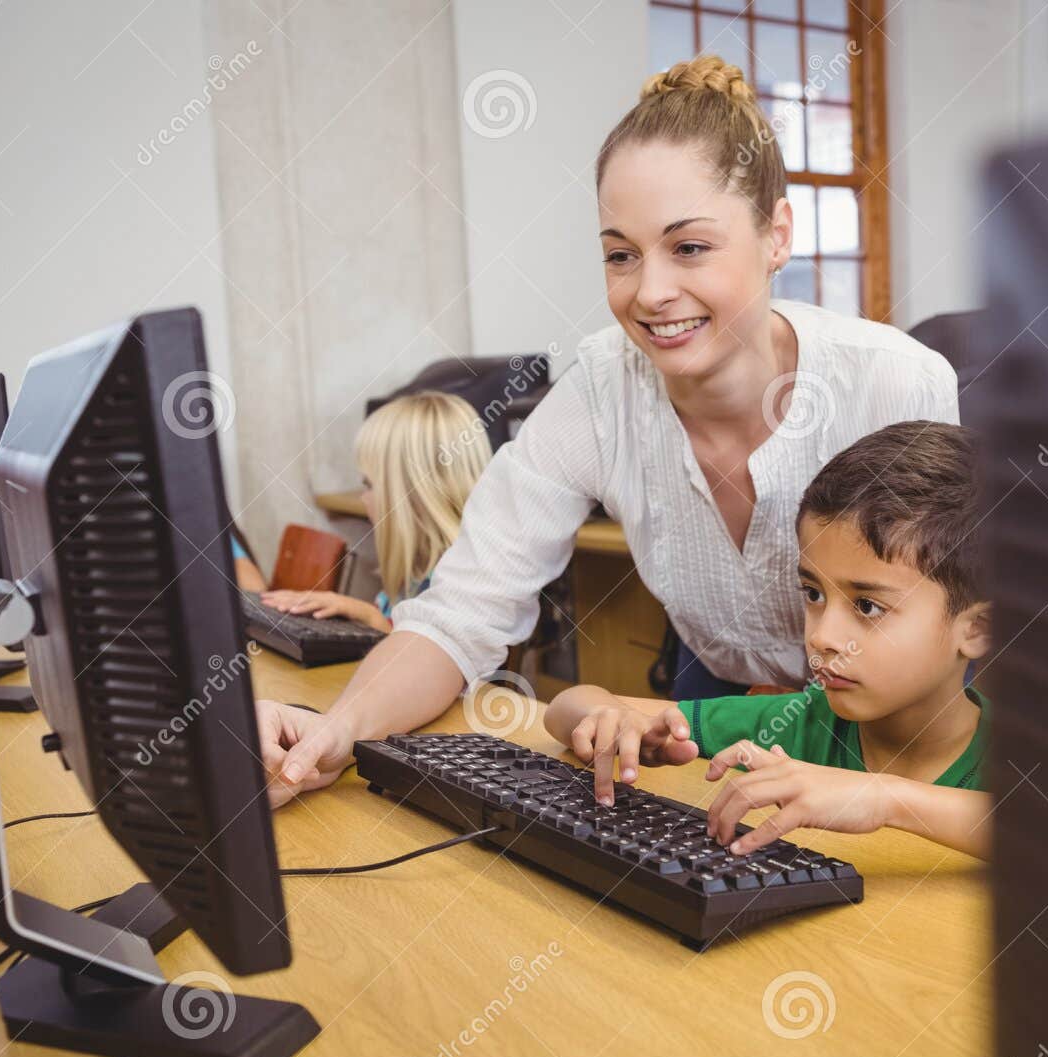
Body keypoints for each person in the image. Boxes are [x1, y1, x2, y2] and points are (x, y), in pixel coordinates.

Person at [258, 56, 957, 808]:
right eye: (621, 254)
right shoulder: (598, 390)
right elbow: (463, 611)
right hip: (713, 693)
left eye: (690, 247)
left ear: (777, 234)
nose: (651, 292)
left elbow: (954, 617)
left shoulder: (893, 381)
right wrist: (337, 728)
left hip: (890, 715)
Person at [542, 422, 993, 859]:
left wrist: (885, 799)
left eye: (867, 606)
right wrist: (613, 723)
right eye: (813, 594)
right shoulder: (796, 722)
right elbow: (568, 708)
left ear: (976, 628)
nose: (822, 636)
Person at [258, 391, 491, 631]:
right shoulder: (416, 569)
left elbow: (426, 660)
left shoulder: (458, 584)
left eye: (369, 484)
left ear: (411, 494)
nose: (363, 497)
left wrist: (368, 616)